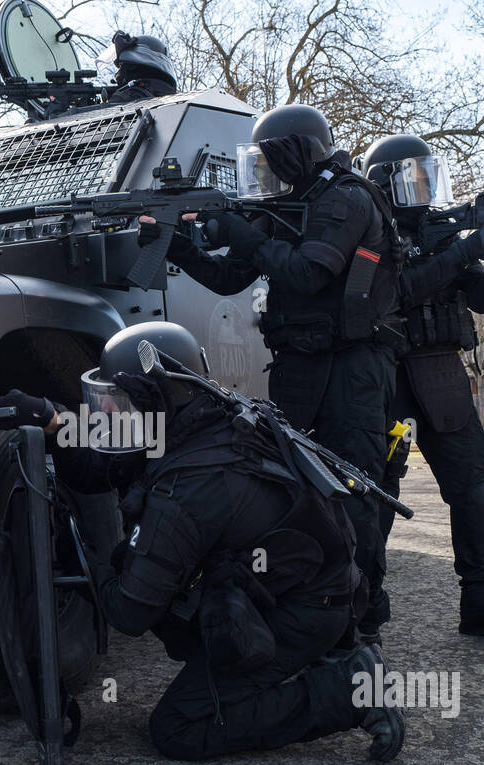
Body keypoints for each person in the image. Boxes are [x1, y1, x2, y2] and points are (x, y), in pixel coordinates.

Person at [0, 322, 405, 762]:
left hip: (307, 610)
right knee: (153, 576)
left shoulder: (189, 486)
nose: (112, 417)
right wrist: (51, 420)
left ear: (157, 401)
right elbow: (100, 468)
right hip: (309, 587)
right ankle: (321, 657)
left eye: (121, 405)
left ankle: (352, 690)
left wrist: (84, 551)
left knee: (179, 727)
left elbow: (128, 611)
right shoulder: (201, 423)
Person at [137, 104, 405, 647]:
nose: (264, 170)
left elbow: (309, 272)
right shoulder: (288, 204)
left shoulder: (346, 197)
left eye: (272, 157)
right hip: (298, 364)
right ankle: (312, 602)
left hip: (352, 367)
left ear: (296, 152)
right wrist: (176, 242)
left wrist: (242, 231)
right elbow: (229, 275)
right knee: (299, 487)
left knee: (354, 488)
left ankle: (364, 619)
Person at [358, 134, 484, 644]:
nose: (424, 189)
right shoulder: (368, 227)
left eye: (428, 176)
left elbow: (480, 298)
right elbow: (398, 290)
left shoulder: (442, 232)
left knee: (471, 492)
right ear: (386, 183)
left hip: (441, 378)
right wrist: (466, 246)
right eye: (412, 178)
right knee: (378, 495)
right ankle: (360, 614)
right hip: (389, 380)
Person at [100, 31, 178, 104]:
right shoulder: (172, 98)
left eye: (121, 65)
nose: (118, 72)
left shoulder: (131, 95)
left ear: (132, 65)